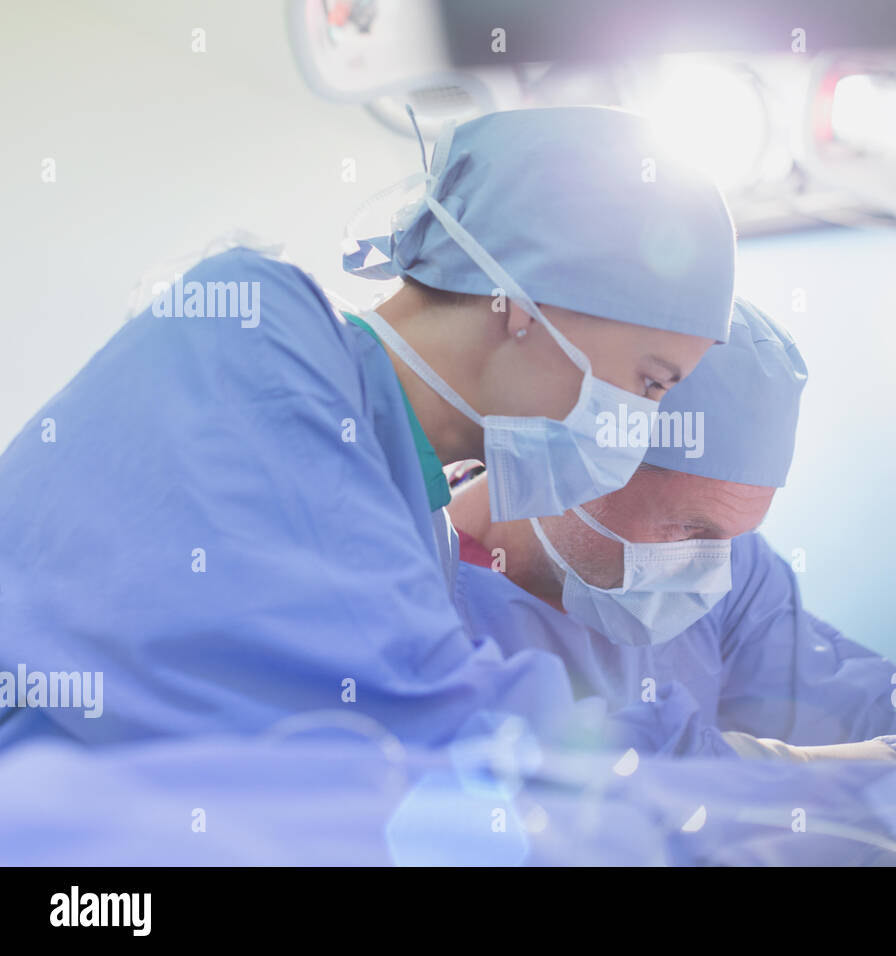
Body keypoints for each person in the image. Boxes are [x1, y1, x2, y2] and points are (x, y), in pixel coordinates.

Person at [0, 106, 741, 754]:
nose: (638, 423)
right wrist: (749, 777)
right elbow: (420, 710)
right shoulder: (252, 329)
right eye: (649, 381)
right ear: (529, 297)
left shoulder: (420, 526)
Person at [448, 298, 896, 757]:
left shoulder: (737, 573)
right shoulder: (422, 589)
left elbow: (871, 722)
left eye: (736, 537)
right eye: (692, 531)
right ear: (573, 466)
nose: (712, 570)